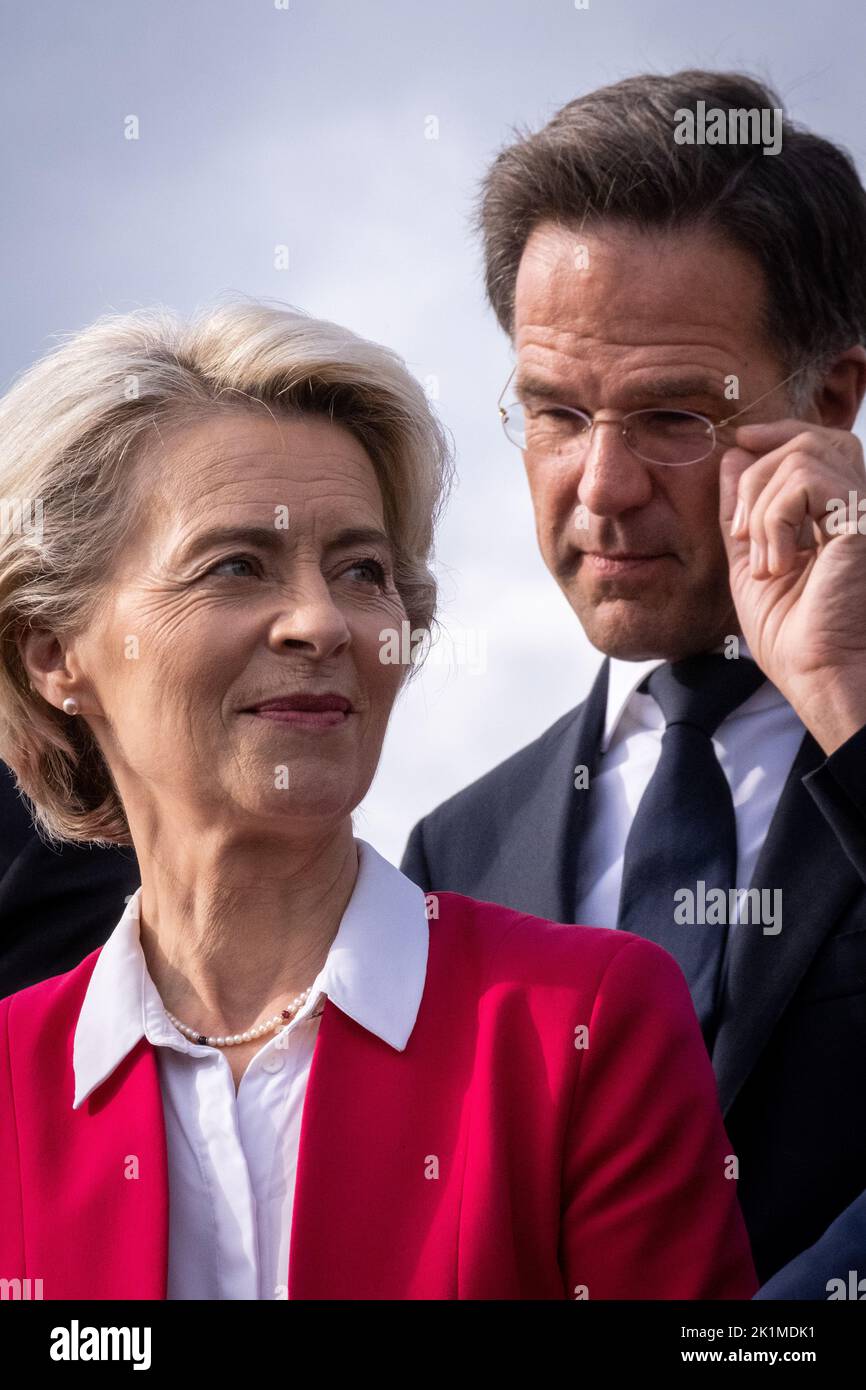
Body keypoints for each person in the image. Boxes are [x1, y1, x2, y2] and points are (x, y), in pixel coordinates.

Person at [0, 300, 756, 1300]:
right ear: (54, 651)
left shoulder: (584, 1020)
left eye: (361, 570)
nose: (320, 621)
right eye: (235, 566)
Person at [400, 69, 866, 1293]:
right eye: (554, 412)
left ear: (828, 403)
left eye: (669, 416)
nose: (597, 487)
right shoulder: (455, 852)